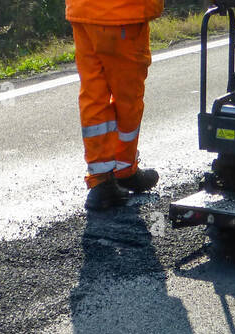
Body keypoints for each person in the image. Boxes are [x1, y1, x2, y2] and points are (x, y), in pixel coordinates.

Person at [66, 0, 163, 211]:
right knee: (128, 98)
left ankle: (101, 180)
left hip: (83, 11)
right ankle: (125, 170)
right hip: (121, 13)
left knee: (94, 95)